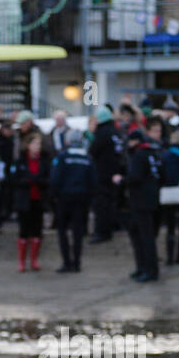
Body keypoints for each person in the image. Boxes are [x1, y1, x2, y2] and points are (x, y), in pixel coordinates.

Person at [49, 132, 97, 272]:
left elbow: (55, 179)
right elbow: (93, 181)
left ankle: (66, 262)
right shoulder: (87, 159)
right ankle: (76, 262)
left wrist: (53, 196)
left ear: (68, 141)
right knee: (78, 231)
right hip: (82, 199)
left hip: (64, 198)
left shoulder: (63, 157)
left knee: (62, 231)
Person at [121, 128, 162, 282]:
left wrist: (122, 180)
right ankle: (143, 268)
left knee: (145, 237)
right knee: (138, 234)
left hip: (140, 202)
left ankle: (150, 271)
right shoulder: (152, 152)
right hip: (151, 200)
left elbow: (135, 177)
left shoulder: (139, 155)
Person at [10, 133, 50, 272]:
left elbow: (48, 178)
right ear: (28, 145)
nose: (37, 147)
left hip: (38, 200)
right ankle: (22, 261)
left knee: (37, 230)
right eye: (35, 144)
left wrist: (38, 181)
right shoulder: (20, 161)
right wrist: (28, 181)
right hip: (24, 200)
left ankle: (34, 260)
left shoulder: (44, 160)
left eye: (39, 144)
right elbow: (14, 179)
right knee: (24, 230)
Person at [88, 106, 125, 242]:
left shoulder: (101, 133)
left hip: (102, 175)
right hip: (115, 174)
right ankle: (109, 229)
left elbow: (92, 152)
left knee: (101, 205)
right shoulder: (116, 132)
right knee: (111, 203)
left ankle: (101, 232)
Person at [159, 130, 179, 266]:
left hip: (169, 194)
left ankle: (170, 258)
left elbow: (161, 175)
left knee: (171, 227)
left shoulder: (165, 156)